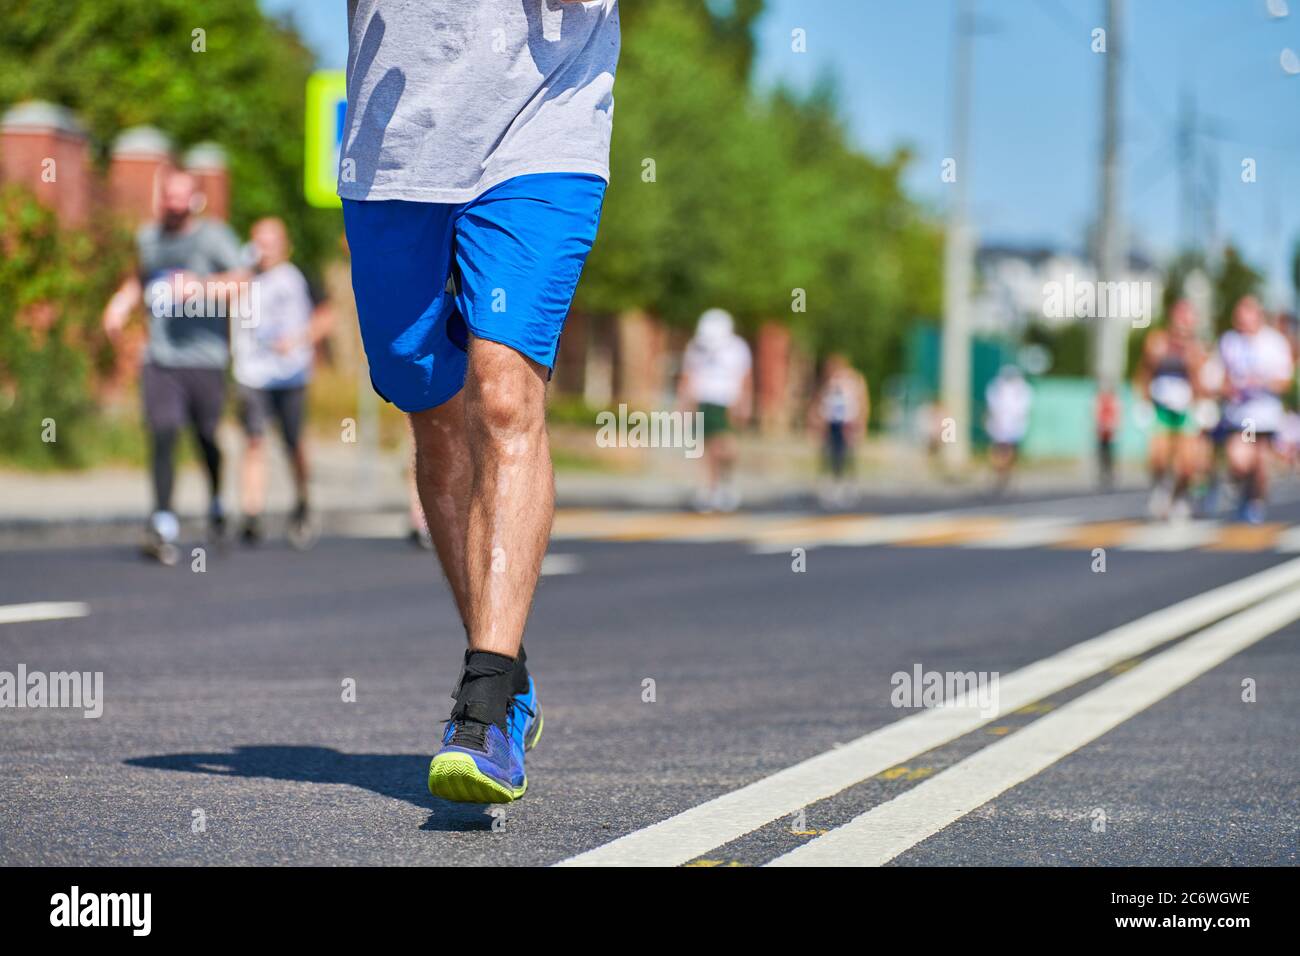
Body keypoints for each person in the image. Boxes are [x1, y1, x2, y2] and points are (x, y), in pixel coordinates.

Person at [339, 0, 619, 803]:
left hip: (545, 128)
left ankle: (486, 704)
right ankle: (508, 663)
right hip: (394, 151)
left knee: (503, 395)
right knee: (427, 404)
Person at [103, 170, 248, 562]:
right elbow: (140, 279)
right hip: (162, 357)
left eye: (181, 197)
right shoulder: (148, 238)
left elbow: (242, 283)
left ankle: (217, 499)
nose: (172, 204)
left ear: (195, 200)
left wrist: (200, 287)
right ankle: (163, 521)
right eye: (167, 196)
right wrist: (120, 304)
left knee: (204, 436)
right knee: (164, 432)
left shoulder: (213, 237)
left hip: (206, 358)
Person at [232, 217, 333, 547]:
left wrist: (299, 339)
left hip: (290, 373)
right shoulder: (243, 277)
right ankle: (252, 514)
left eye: (270, 241)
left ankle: (303, 500)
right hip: (252, 372)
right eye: (258, 241)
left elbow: (326, 317)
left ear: (284, 244)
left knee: (293, 443)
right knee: (253, 439)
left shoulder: (299, 276)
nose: (264, 248)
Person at [1217, 295, 1295, 523]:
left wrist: (1260, 382)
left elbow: (1285, 381)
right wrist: (1228, 388)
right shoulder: (1229, 341)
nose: (1242, 322)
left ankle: (1254, 500)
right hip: (1242, 417)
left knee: (1261, 465)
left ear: (1257, 316)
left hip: (1266, 415)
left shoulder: (1274, 342)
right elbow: (1220, 377)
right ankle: (1243, 489)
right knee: (1240, 460)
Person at [1134, 299, 1206, 521]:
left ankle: (1181, 497)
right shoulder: (1157, 342)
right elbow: (1144, 373)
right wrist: (1143, 401)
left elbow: (1200, 382)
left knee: (1187, 464)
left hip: (1185, 410)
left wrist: (1201, 407)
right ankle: (1160, 488)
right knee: (1158, 456)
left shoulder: (1196, 349)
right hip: (1161, 408)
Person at [678, 309, 753, 512]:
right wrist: (685, 404)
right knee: (705, 449)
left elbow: (745, 378)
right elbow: (688, 376)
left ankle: (725, 483)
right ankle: (709, 490)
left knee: (726, 447)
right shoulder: (695, 347)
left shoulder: (738, 348)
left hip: (727, 402)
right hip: (703, 400)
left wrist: (744, 403)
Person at [809, 354, 869, 506]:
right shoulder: (828, 383)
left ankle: (848, 485)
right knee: (828, 455)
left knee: (847, 455)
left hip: (848, 422)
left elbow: (862, 402)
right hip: (831, 422)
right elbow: (819, 402)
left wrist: (860, 423)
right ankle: (830, 484)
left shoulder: (853, 381)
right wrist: (817, 420)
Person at [984, 365, 1032, 493]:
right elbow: (993, 406)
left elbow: (1023, 409)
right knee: (997, 451)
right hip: (999, 426)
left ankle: (1007, 474)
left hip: (1013, 427)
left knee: (1010, 452)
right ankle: (998, 472)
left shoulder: (1021, 389)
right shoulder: (997, 387)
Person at [1094, 382, 1121, 492]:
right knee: (1101, 454)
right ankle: (1102, 474)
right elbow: (1096, 413)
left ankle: (1110, 474)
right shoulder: (1100, 400)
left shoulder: (1114, 401)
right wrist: (1100, 425)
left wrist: (1112, 426)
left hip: (1111, 433)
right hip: (1101, 432)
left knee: (1110, 455)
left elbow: (1117, 415)